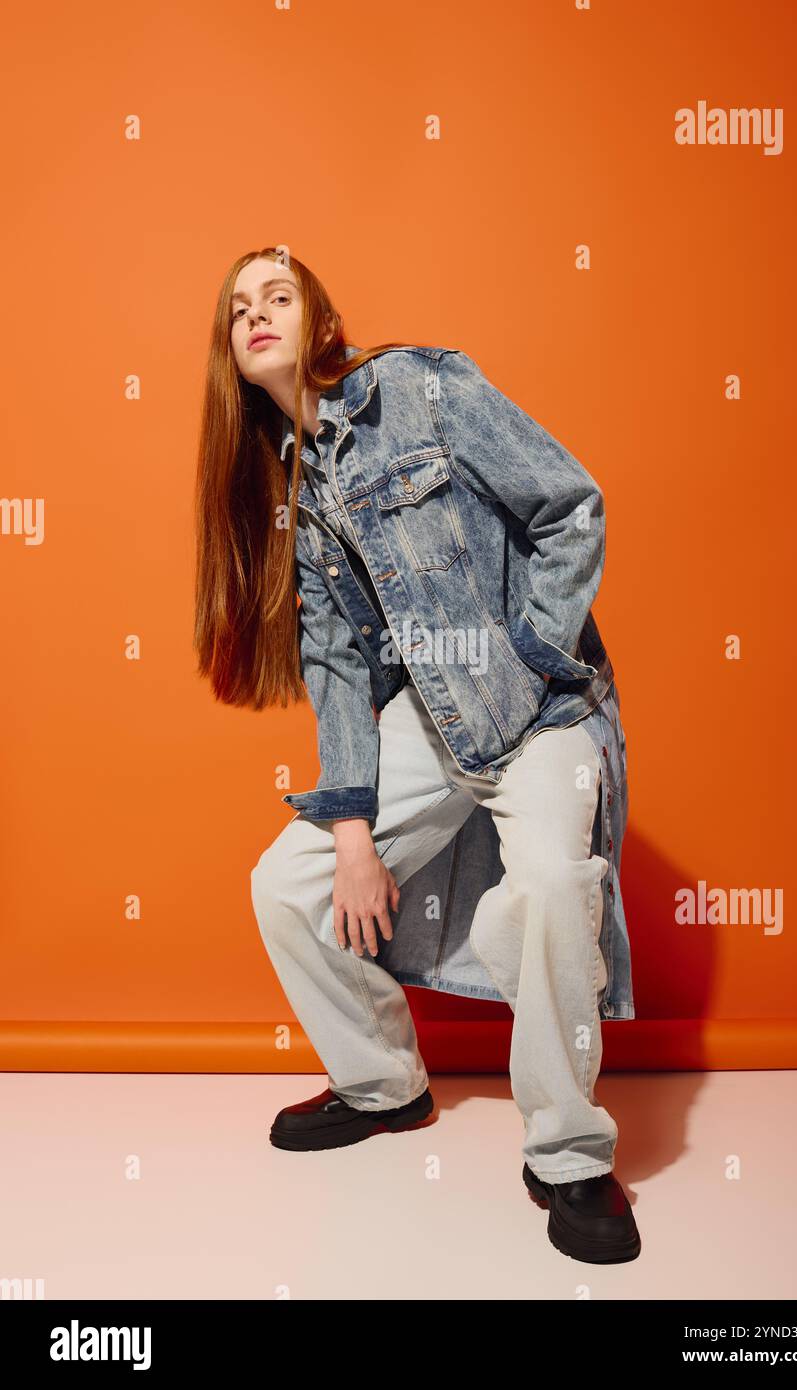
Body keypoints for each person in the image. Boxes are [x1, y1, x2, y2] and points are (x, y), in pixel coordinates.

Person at [193, 247, 640, 1264]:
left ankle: (569, 1153)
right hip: (432, 725)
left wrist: (532, 651)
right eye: (236, 309)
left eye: (277, 294)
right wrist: (352, 829)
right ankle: (384, 1084)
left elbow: (570, 504)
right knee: (288, 882)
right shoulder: (295, 497)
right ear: (229, 351)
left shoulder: (425, 388)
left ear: (319, 317)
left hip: (544, 711)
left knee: (555, 878)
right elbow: (340, 668)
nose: (255, 314)